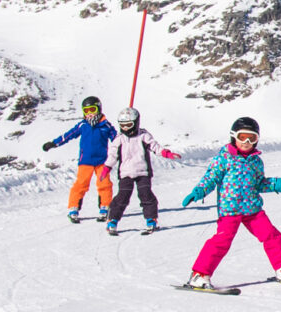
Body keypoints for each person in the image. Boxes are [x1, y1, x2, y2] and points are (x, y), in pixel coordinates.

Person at [180, 116, 281, 290]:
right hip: (230, 210)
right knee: (221, 241)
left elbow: (259, 183)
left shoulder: (256, 161)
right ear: (233, 136)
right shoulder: (223, 159)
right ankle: (199, 275)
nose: (246, 141)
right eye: (242, 136)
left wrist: (277, 184)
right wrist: (198, 192)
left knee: (272, 235)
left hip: (253, 209)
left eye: (252, 138)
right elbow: (210, 179)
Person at [41, 95, 118, 223]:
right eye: (86, 111)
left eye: (92, 110)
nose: (89, 114)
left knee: (104, 184)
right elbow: (68, 135)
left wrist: (125, 144)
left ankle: (105, 207)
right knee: (81, 184)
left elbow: (116, 139)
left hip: (102, 161)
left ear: (98, 109)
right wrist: (54, 143)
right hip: (85, 161)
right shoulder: (83, 125)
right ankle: (73, 208)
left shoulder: (106, 125)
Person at [106, 107, 181, 234]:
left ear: (136, 123)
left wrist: (166, 153)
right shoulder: (119, 139)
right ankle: (112, 219)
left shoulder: (143, 136)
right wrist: (106, 167)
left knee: (145, 195)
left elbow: (155, 146)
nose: (125, 128)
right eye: (122, 126)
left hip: (143, 172)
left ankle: (151, 219)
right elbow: (113, 155)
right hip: (126, 173)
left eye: (128, 125)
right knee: (122, 196)